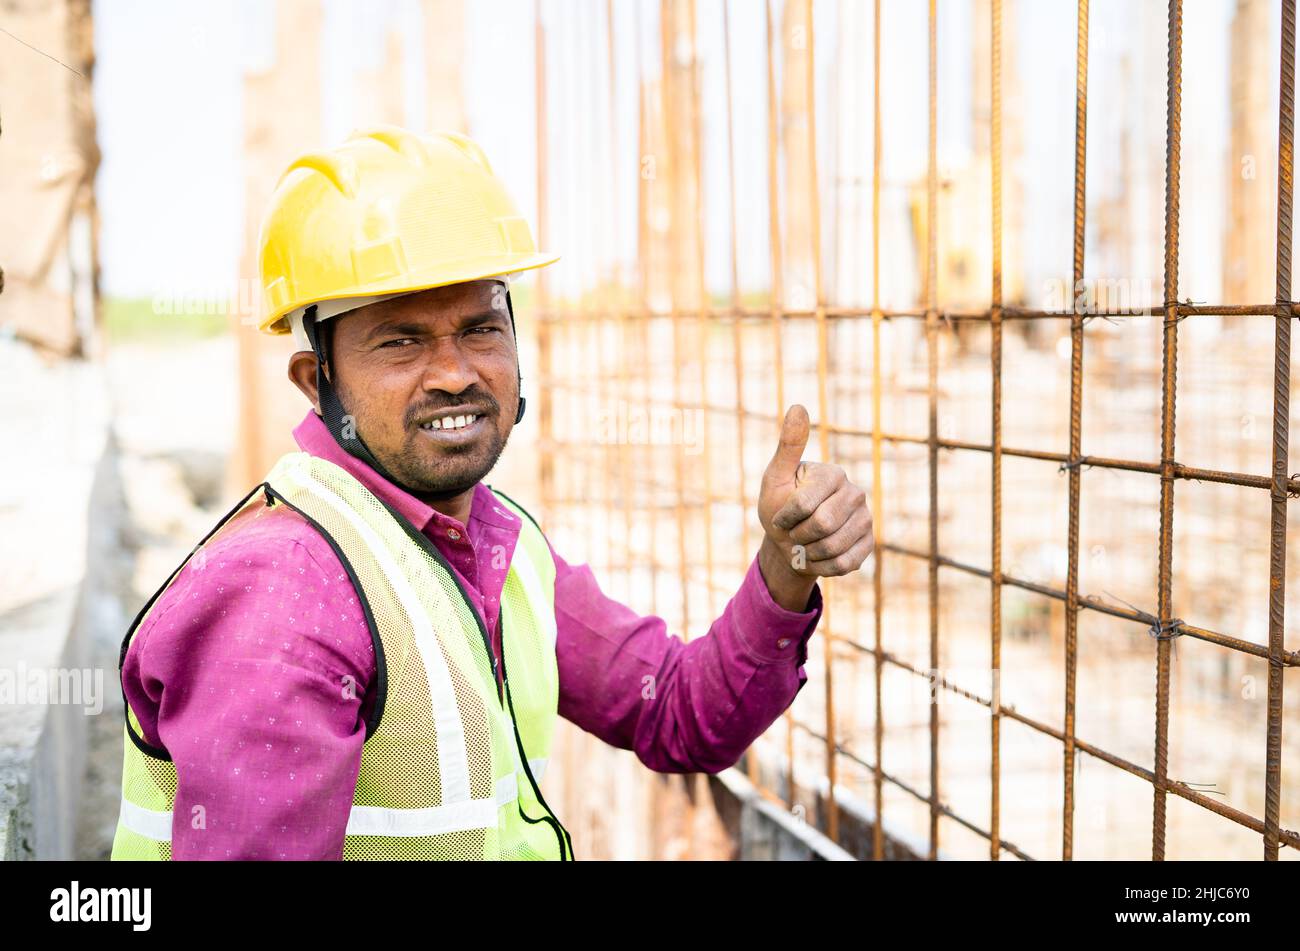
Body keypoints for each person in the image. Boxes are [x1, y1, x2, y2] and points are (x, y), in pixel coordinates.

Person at [110, 126, 874, 860]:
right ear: (320, 383)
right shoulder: (284, 588)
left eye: (480, 329)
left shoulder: (498, 545)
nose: (454, 372)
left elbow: (678, 715)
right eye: (401, 339)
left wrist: (787, 562)